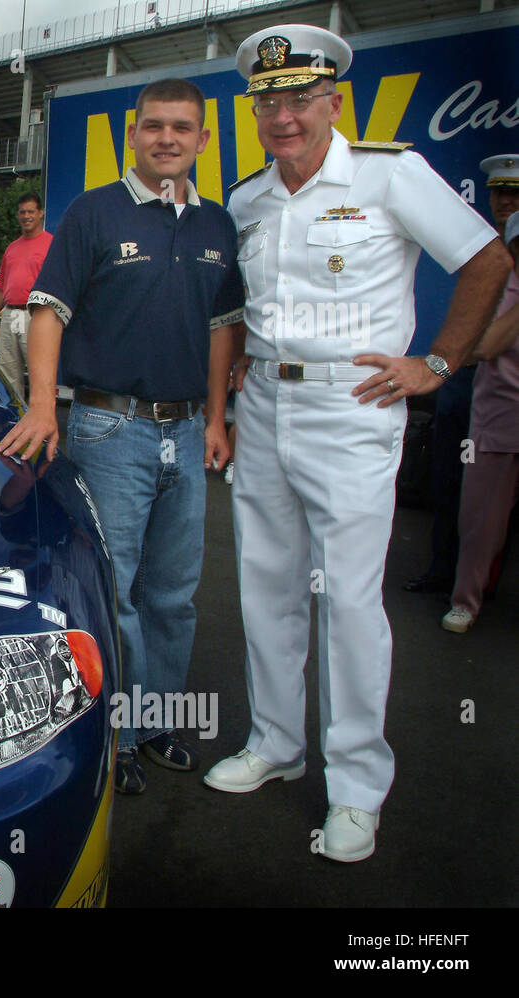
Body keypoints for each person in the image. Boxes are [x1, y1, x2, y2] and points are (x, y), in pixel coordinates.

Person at [203, 25, 510, 862]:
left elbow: (485, 258)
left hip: (356, 402)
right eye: (269, 101)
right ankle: (274, 743)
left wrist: (438, 362)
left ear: (334, 100)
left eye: (301, 98)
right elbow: (232, 313)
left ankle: (357, 785)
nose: (285, 116)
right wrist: (224, 402)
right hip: (265, 400)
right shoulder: (247, 199)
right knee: (264, 586)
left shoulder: (388, 173)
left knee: (348, 600)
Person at [0, 78, 245, 795]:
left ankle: (157, 719)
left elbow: (223, 328)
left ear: (203, 140)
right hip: (110, 427)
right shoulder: (94, 212)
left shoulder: (217, 226)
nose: (167, 138)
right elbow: (47, 311)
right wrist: (44, 406)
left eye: (183, 127)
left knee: (173, 594)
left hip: (188, 426)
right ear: (133, 136)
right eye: (154, 126)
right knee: (115, 590)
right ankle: (116, 733)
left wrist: (219, 421)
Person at [405, 155, 519, 596]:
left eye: (516, 194)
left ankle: (479, 586)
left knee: (492, 502)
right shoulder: (478, 240)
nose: (506, 201)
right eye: (500, 192)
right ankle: (442, 571)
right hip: (466, 383)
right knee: (451, 477)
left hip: (506, 388)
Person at [442, 209, 519, 633]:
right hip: (498, 420)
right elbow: (483, 347)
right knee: (480, 522)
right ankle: (464, 603)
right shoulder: (498, 286)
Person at [0, 192, 52, 395]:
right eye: (22, 212)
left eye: (31, 211)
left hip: (35, 315)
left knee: (40, 372)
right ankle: (17, 420)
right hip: (10, 315)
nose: (26, 216)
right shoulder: (12, 248)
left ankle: (41, 419)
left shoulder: (51, 245)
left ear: (40, 213)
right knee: (8, 373)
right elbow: (2, 288)